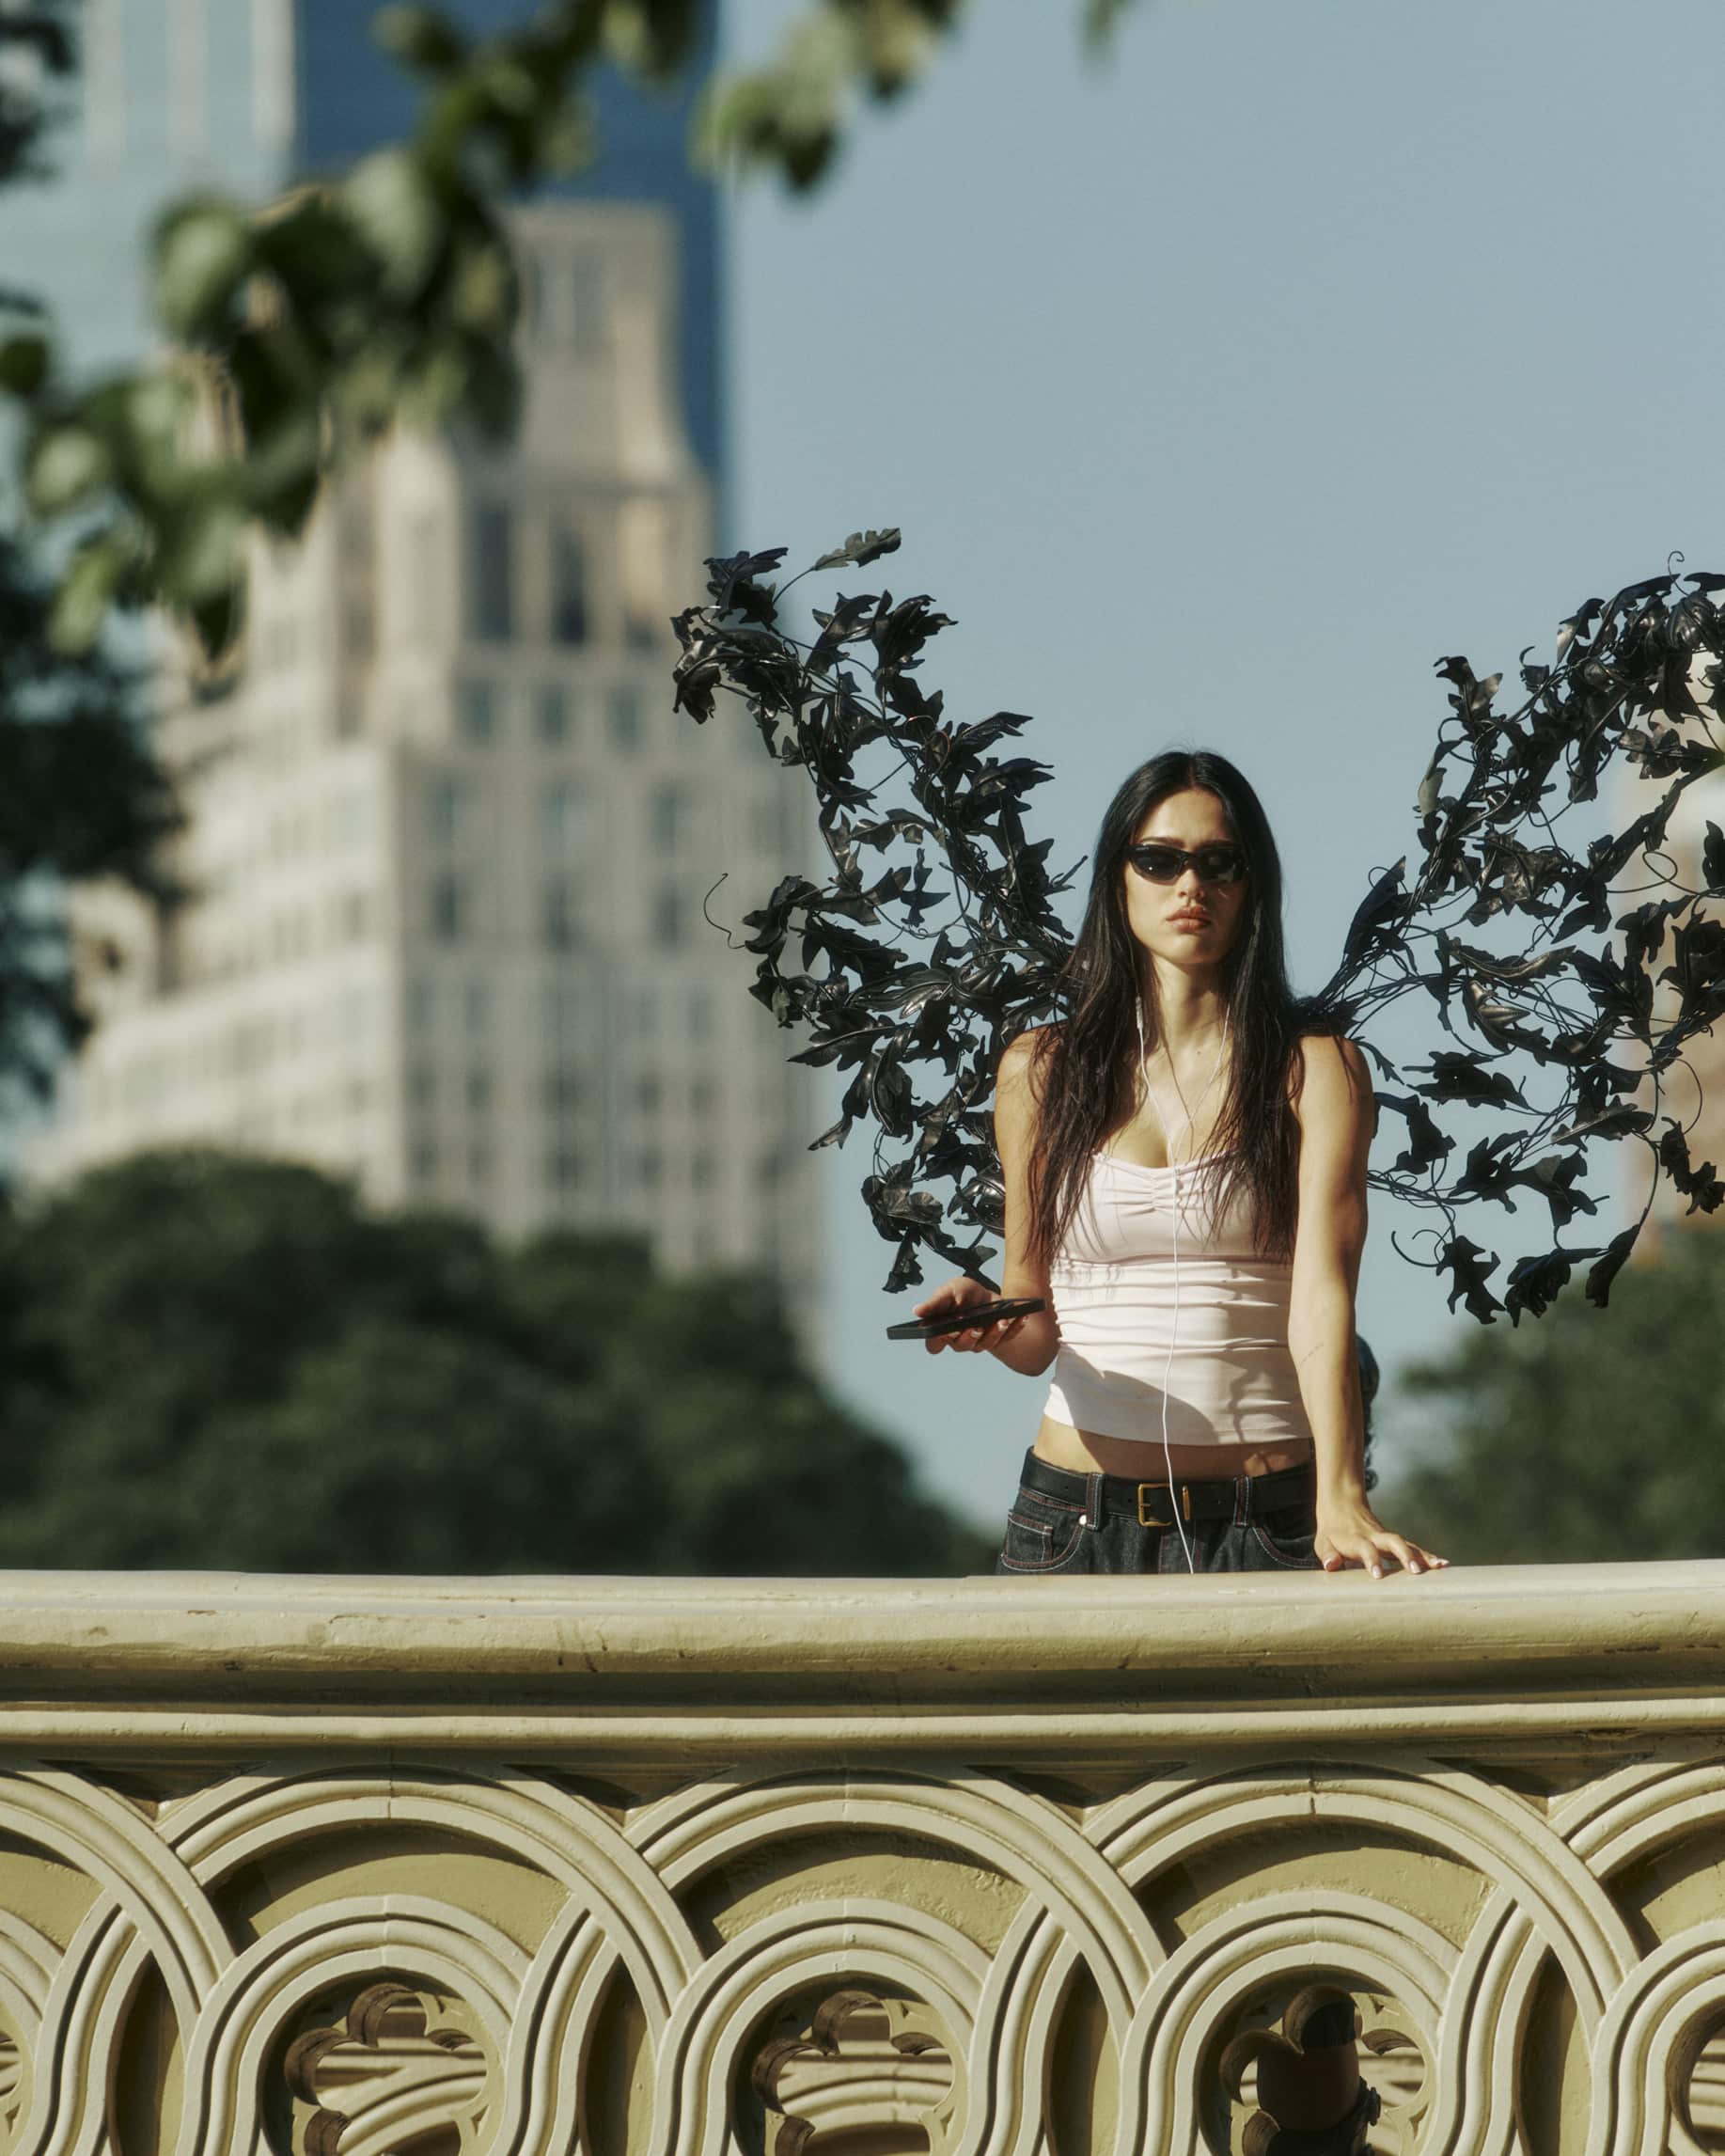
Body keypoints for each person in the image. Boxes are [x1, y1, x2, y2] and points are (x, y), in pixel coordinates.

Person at [913, 749, 1446, 1582]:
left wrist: (1340, 1494)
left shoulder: (1316, 1071)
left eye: (1218, 862)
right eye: (1158, 860)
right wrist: (988, 1314)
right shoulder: (1039, 1071)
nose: (1188, 886)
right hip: (1070, 1520)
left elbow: (1323, 1296)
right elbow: (1036, 1332)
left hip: (1265, 1522)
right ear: (1117, 879)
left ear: (1252, 884)